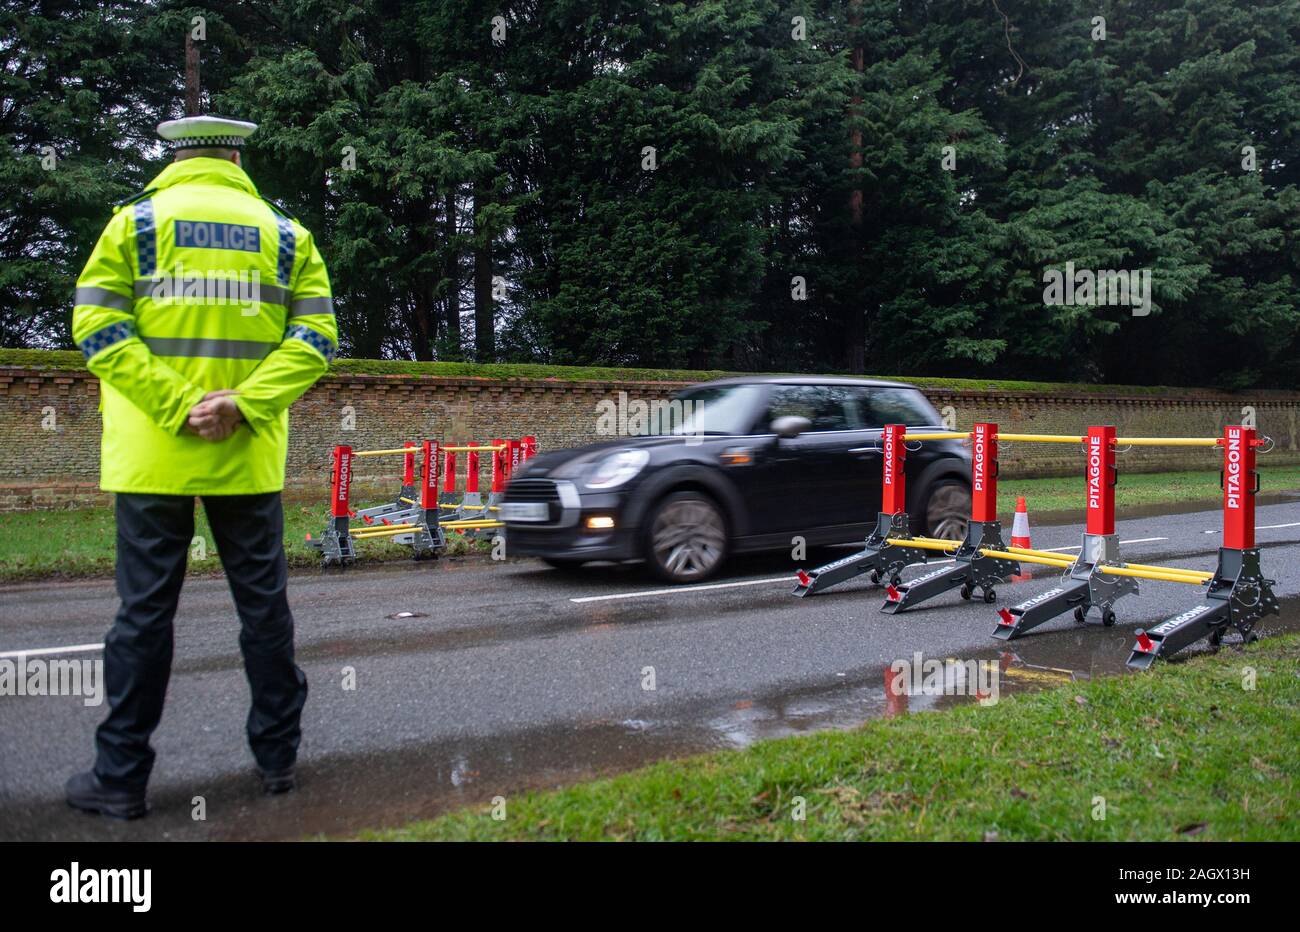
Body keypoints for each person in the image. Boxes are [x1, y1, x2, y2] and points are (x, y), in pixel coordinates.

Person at [66, 115, 337, 819]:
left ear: (174, 156)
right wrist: (240, 406)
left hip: (153, 456)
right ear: (236, 155)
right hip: (245, 455)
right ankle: (278, 760)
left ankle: (121, 778)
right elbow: (316, 338)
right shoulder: (285, 234)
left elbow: (97, 325)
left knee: (144, 616)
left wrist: (180, 404)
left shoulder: (134, 223)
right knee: (264, 609)